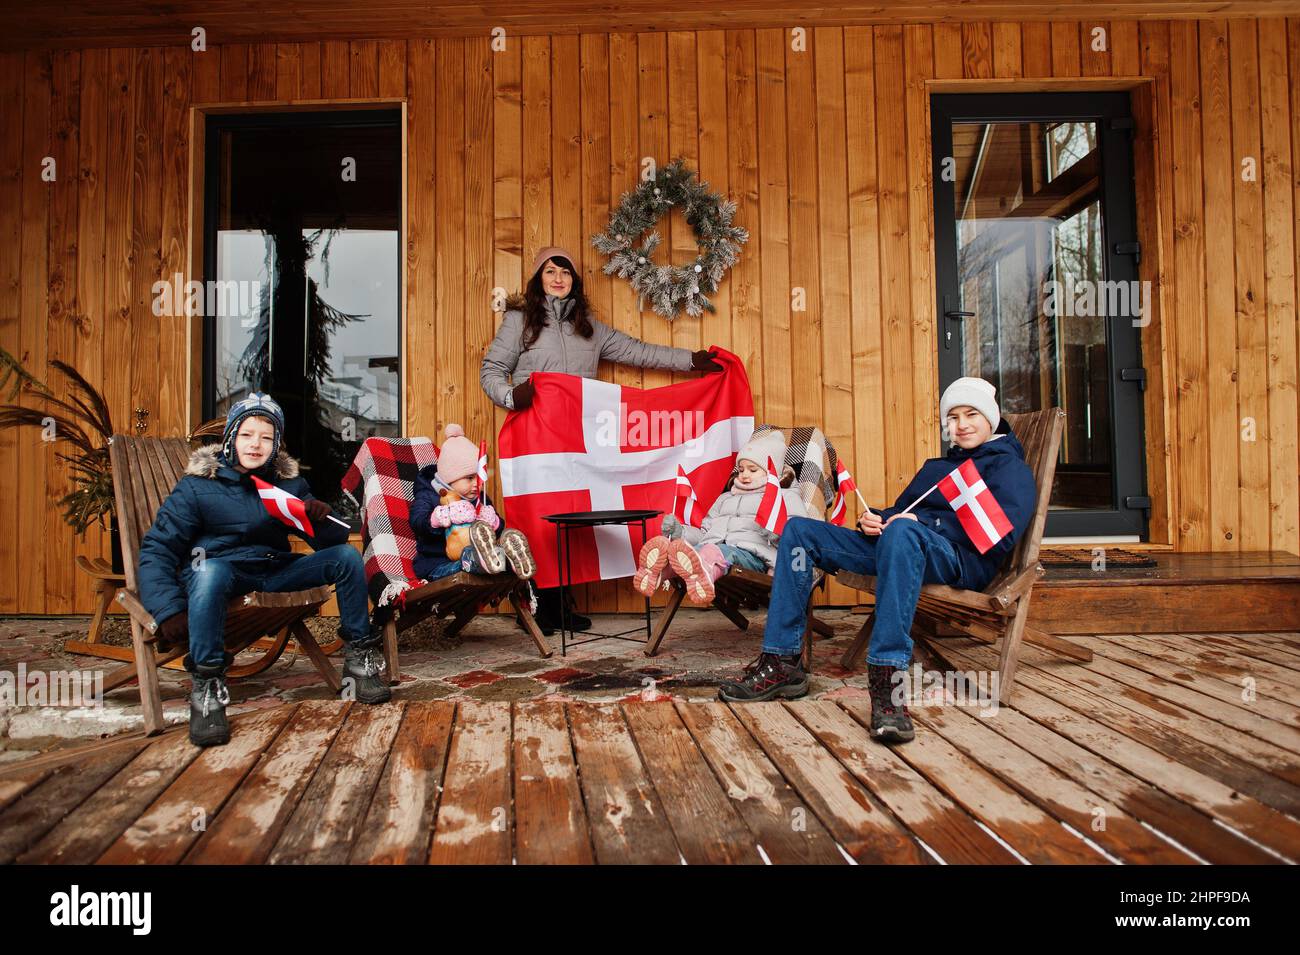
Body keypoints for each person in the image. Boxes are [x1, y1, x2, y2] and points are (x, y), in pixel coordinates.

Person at [717, 378, 1038, 745]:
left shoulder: (1008, 468)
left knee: (903, 533)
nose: (961, 424)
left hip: (959, 560)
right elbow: (904, 513)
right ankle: (783, 662)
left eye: (971, 414)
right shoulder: (940, 467)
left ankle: (888, 680)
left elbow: (1002, 533)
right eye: (953, 417)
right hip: (901, 545)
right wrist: (877, 520)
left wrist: (920, 524)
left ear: (991, 418)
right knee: (800, 533)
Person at [480, 244, 724, 634]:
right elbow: (491, 369)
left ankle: (562, 606)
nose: (558, 278)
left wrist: (690, 361)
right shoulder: (518, 321)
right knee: (541, 519)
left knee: (574, 515)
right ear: (538, 278)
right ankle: (538, 605)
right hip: (536, 437)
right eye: (550, 271)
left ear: (573, 281)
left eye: (565, 272)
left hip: (580, 440)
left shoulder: (589, 327)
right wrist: (512, 395)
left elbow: (638, 351)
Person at [137, 392, 391, 748]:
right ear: (230, 437)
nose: (256, 444)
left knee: (346, 559)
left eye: (266, 437)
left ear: (276, 445)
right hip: (222, 574)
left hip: (274, 573)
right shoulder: (198, 486)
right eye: (247, 434)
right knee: (208, 571)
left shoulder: (286, 486)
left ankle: (360, 658)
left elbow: (326, 546)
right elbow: (158, 549)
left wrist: (316, 517)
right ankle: (208, 687)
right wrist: (167, 610)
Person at [632, 429, 808, 605]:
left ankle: (702, 572)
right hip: (713, 546)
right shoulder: (725, 498)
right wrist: (681, 533)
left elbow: (800, 534)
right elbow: (705, 531)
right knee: (687, 548)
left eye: (752, 470)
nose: (744, 475)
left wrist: (777, 532)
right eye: (741, 470)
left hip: (751, 555)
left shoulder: (784, 497)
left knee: (710, 552)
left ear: (773, 471)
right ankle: (661, 571)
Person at [410, 422, 536, 583]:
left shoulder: (479, 499)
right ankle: (486, 560)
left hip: (481, 556)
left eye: (479, 477)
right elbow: (417, 521)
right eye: (470, 478)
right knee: (469, 561)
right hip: (437, 565)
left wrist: (495, 523)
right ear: (450, 479)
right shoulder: (429, 496)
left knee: (491, 555)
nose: (477, 483)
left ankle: (513, 560)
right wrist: (438, 518)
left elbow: (492, 533)